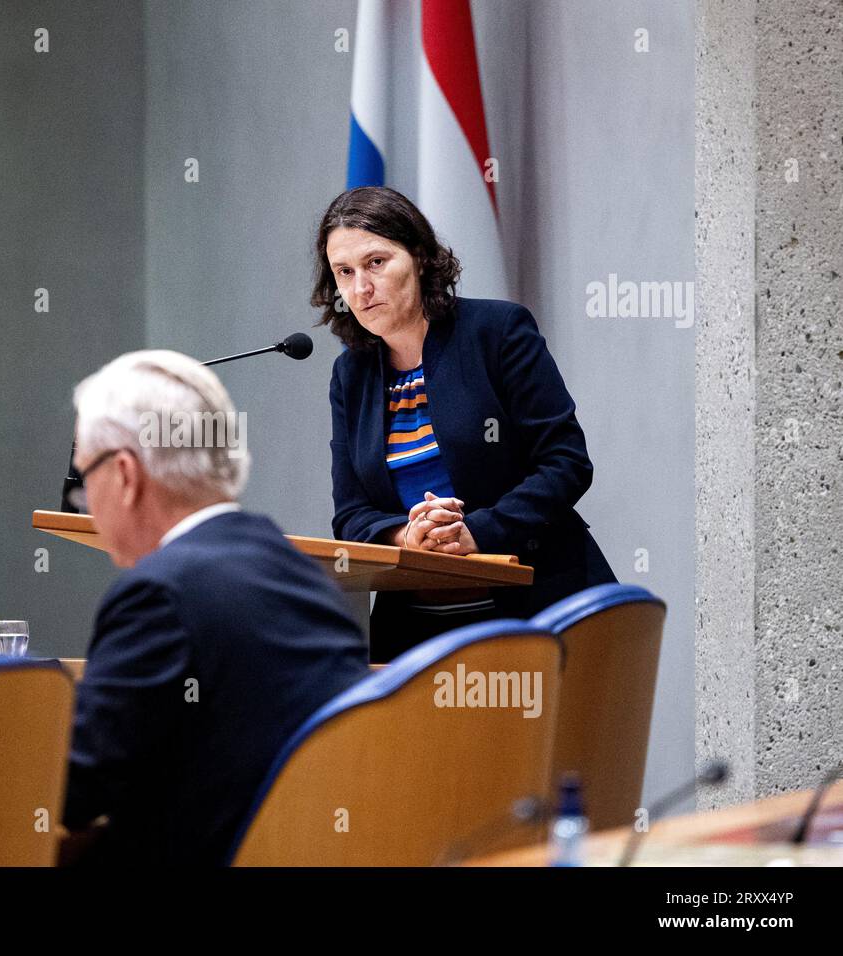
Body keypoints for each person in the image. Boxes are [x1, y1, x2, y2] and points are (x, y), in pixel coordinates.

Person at [63, 349, 368, 865]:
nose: (85, 504)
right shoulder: (301, 576)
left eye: (82, 479)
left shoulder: (159, 595)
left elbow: (72, 789)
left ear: (124, 474)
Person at [316, 186, 616, 663]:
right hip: (416, 632)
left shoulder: (496, 332)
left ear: (418, 256)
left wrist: (476, 531)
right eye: (344, 273)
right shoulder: (350, 375)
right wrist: (409, 538)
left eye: (376, 263)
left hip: (536, 608)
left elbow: (565, 463)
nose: (360, 289)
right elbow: (351, 515)